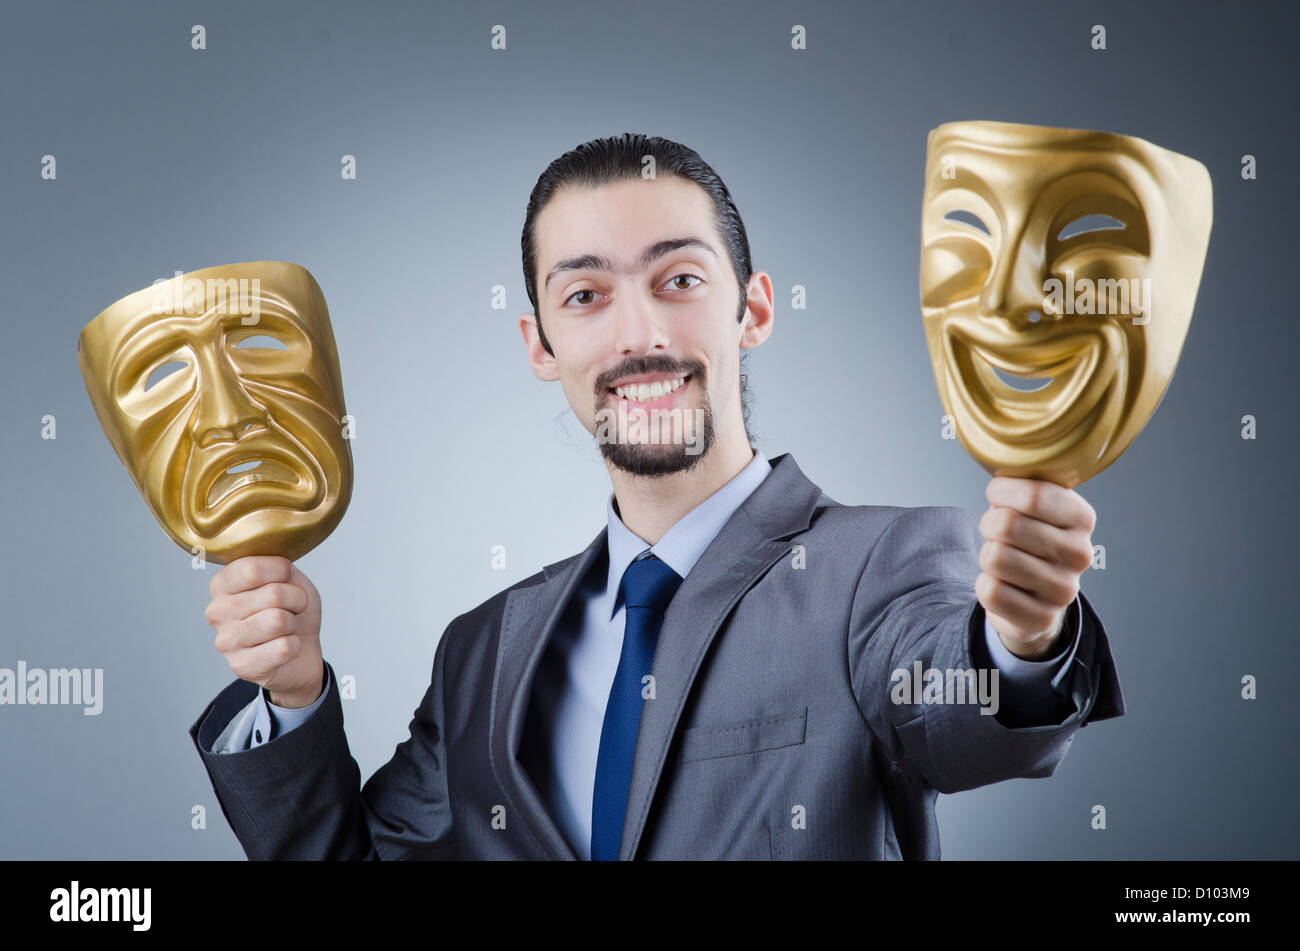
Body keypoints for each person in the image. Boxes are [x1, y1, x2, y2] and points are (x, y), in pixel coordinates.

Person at [191, 132, 1124, 860]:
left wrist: (1020, 638)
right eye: (586, 296)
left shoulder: (881, 565)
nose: (639, 331)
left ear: (751, 309)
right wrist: (294, 691)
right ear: (540, 345)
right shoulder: (484, 648)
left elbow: (964, 720)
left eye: (678, 279)